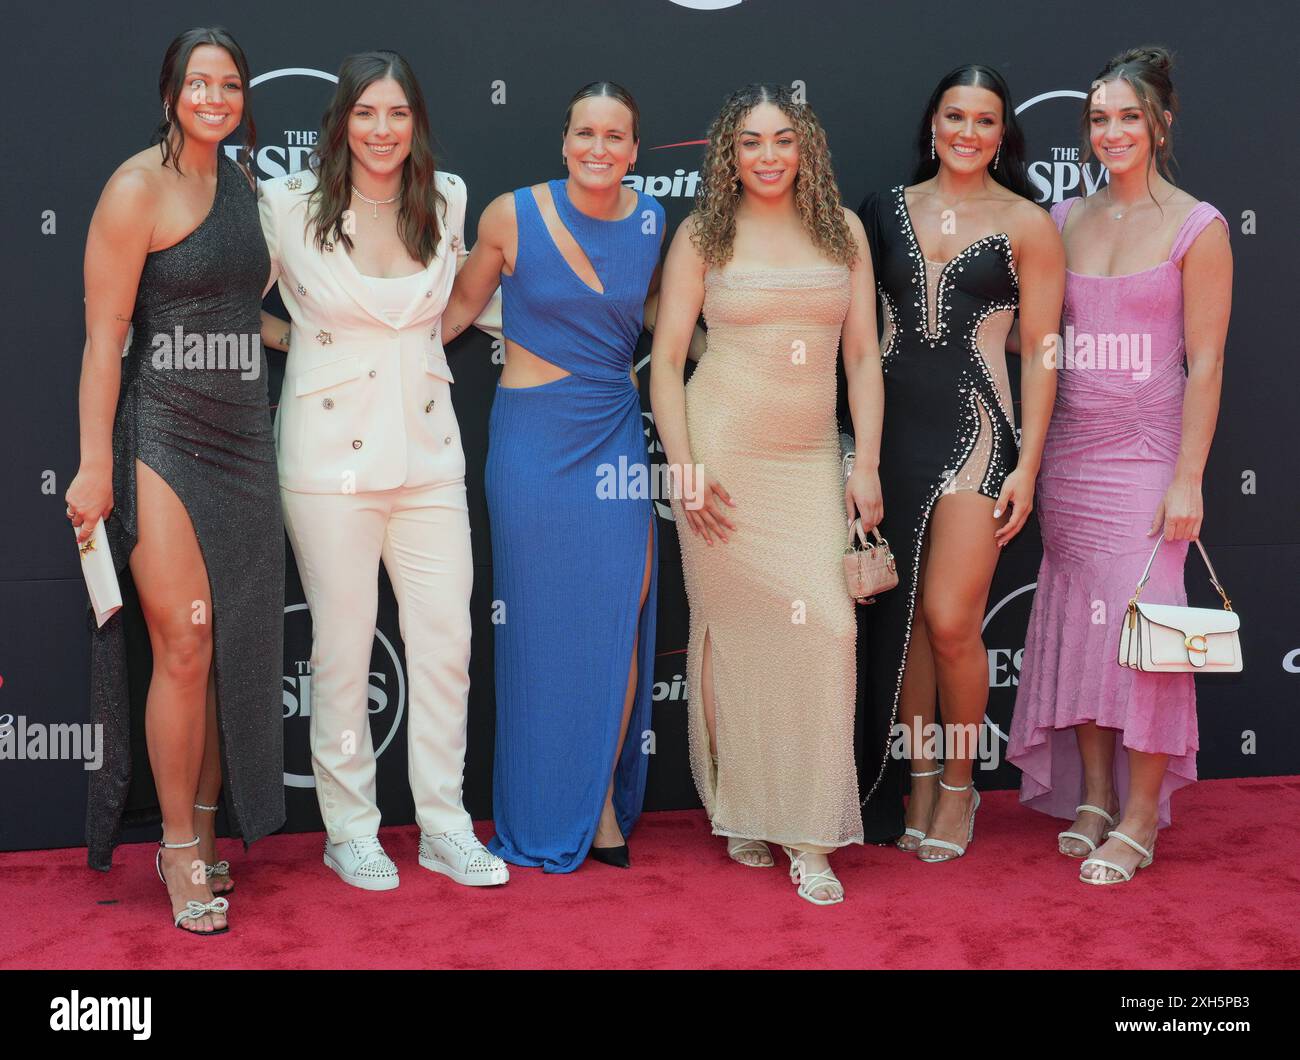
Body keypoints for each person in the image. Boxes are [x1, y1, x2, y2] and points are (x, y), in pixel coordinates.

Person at [258, 50, 507, 890]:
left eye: (397, 113)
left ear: (416, 122)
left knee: (446, 645)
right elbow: (227, 296)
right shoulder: (287, 204)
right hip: (328, 462)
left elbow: (462, 301)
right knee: (339, 649)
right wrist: (307, 344)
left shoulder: (447, 198)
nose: (381, 130)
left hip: (431, 454)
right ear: (341, 122)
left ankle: (444, 825)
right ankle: (350, 830)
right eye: (366, 113)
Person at [68, 27, 285, 934]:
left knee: (223, 647)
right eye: (198, 82)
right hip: (160, 436)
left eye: (229, 84)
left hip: (244, 440)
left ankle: (202, 831)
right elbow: (103, 339)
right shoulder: (135, 188)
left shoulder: (239, 184)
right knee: (183, 647)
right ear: (170, 92)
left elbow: (249, 314)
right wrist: (91, 466)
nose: (214, 97)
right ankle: (177, 853)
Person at [649, 83, 881, 905]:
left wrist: (868, 464)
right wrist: (683, 464)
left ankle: (810, 832)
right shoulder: (703, 235)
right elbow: (670, 359)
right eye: (751, 142)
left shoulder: (842, 232)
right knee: (736, 638)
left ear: (806, 146)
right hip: (722, 460)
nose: (769, 155)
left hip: (811, 462)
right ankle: (745, 807)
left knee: (825, 629)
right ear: (729, 154)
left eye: (783, 139)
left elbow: (861, 359)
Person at [1008, 46, 1231, 885]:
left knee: (1148, 635)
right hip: (1070, 458)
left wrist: (1188, 476)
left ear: (1161, 124)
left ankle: (1142, 815)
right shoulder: (1063, 219)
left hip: (1148, 461)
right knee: (1083, 627)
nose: (1112, 131)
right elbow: (1039, 341)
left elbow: (1205, 363)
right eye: (1099, 119)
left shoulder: (1197, 227)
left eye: (1129, 116)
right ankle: (1094, 796)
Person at [443, 81, 664, 873]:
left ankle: (599, 799)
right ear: (564, 139)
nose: (599, 150)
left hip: (614, 436)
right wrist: (342, 343)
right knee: (538, 629)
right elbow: (455, 316)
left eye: (616, 137)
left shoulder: (651, 219)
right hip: (534, 442)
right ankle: (549, 806)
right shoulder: (511, 214)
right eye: (585, 134)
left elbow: (667, 329)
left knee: (619, 612)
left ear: (635, 150)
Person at [855, 64, 1064, 860]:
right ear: (932, 125)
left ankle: (958, 785)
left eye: (984, 121)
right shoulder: (886, 210)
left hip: (983, 438)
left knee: (949, 621)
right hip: (894, 436)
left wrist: (1029, 465)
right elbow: (856, 333)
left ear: (1003, 133)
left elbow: (1042, 351)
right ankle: (913, 782)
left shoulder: (1028, 224)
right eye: (954, 117)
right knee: (905, 628)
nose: (968, 134)